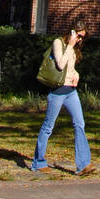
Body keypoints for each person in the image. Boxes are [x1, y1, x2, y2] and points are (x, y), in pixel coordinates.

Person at [31, 21, 93, 175]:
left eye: (82, 38)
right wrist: (70, 45)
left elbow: (70, 68)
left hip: (71, 91)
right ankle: (38, 162)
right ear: (72, 32)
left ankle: (83, 164)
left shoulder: (74, 48)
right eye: (79, 36)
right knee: (48, 126)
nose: (80, 40)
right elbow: (60, 65)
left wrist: (76, 75)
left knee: (79, 124)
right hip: (57, 91)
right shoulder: (58, 43)